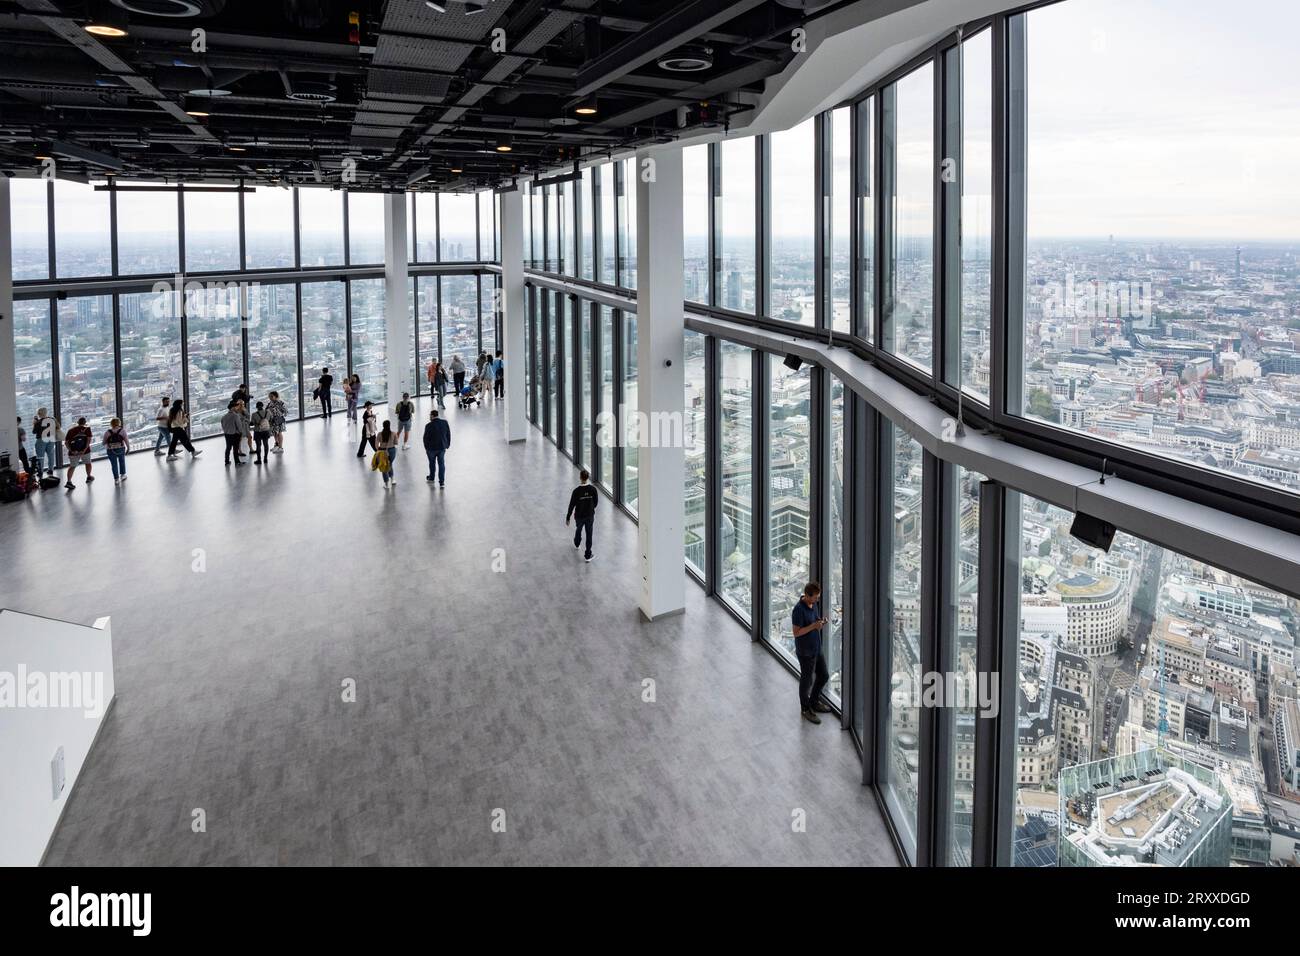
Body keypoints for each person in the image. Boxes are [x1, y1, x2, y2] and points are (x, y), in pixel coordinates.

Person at [791, 581, 832, 724]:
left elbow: (814, 622)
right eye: (815, 597)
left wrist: (820, 623)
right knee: (806, 681)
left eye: (818, 597)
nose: (817, 600)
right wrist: (813, 626)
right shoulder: (798, 610)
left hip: (816, 647)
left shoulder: (813, 605)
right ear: (807, 596)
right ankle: (805, 708)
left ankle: (814, 701)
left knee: (824, 675)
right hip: (805, 652)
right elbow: (796, 633)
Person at [565, 468, 599, 562]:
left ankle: (577, 543)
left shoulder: (576, 491)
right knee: (589, 535)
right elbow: (596, 503)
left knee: (578, 529)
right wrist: (590, 508)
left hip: (579, 516)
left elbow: (571, 505)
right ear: (588, 478)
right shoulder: (593, 489)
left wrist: (568, 517)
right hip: (589, 516)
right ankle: (588, 555)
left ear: (580, 477)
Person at [63, 416, 94, 490]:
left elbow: (66, 442)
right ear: (85, 422)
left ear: (77, 422)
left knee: (72, 466)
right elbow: (88, 441)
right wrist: (84, 450)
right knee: (88, 463)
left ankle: (69, 481)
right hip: (85, 451)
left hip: (73, 452)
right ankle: (89, 477)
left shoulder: (70, 430)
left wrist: (71, 450)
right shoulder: (87, 429)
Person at [422, 408, 451, 487]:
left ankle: (431, 478)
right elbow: (448, 434)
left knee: (432, 463)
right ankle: (442, 482)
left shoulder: (428, 425)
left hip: (431, 449)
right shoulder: (445, 422)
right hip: (442, 447)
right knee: (441, 464)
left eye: (430, 415)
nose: (429, 417)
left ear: (432, 416)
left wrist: (426, 448)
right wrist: (447, 444)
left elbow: (425, 438)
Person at [32, 407, 58, 477]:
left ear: (39, 413)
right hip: (51, 439)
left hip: (42, 439)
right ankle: (50, 470)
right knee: (51, 455)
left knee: (40, 457)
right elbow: (56, 428)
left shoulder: (38, 422)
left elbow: (34, 432)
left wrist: (34, 423)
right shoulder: (52, 419)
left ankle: (40, 472)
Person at [103, 417, 130, 484]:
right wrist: (128, 448)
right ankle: (123, 475)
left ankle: (116, 479)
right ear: (119, 423)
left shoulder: (107, 432)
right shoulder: (122, 431)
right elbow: (126, 440)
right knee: (122, 461)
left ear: (111, 424)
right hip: (120, 448)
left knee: (114, 464)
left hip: (110, 450)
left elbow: (103, 443)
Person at [374, 420, 398, 487]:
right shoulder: (393, 433)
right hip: (392, 451)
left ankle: (386, 484)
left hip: (382, 451)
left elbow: (376, 444)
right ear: (389, 425)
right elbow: (396, 443)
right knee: (389, 464)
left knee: (384, 466)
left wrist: (378, 450)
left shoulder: (379, 434)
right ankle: (392, 479)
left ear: (383, 426)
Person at [222, 401, 247, 466]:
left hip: (227, 434)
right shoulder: (235, 416)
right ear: (233, 408)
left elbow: (223, 426)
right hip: (235, 435)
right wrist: (240, 432)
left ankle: (227, 461)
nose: (237, 408)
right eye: (236, 406)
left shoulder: (224, 417)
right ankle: (237, 462)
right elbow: (239, 426)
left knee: (228, 448)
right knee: (235, 449)